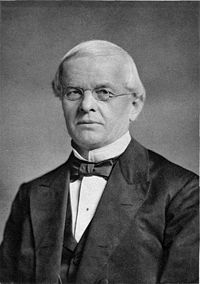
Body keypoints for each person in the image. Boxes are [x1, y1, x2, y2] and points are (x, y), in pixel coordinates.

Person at [0, 40, 198, 284]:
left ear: (135, 105)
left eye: (104, 93)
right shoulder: (30, 194)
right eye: (74, 92)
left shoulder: (182, 191)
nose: (86, 106)